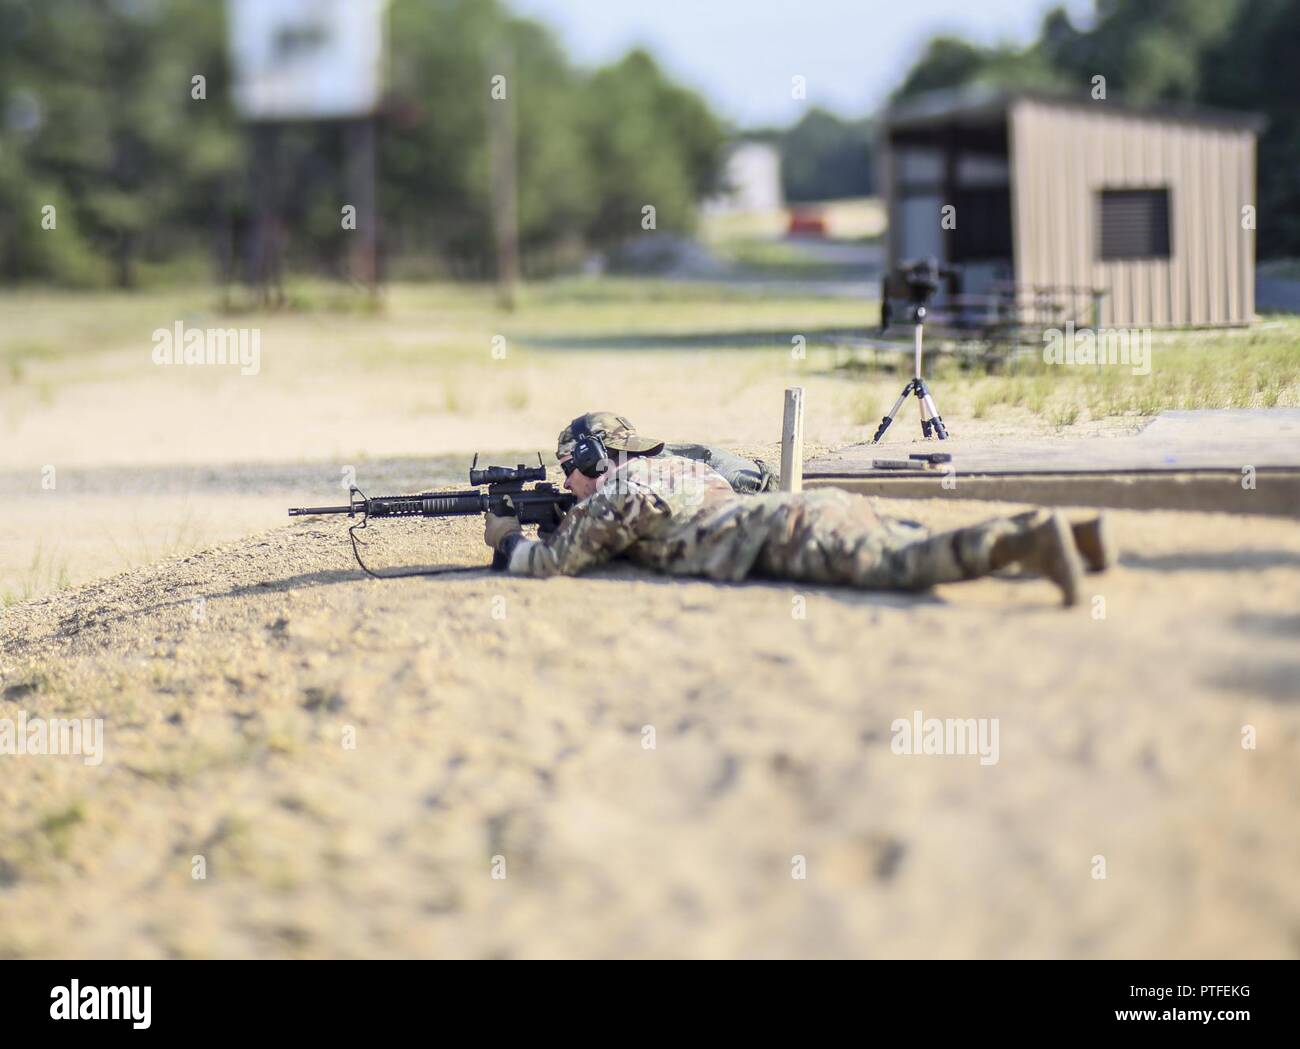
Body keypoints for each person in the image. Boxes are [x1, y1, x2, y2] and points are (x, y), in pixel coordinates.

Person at [483, 413, 1113, 606]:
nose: (568, 485)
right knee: (902, 540)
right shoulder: (682, 468)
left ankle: (1031, 536)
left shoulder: (624, 492)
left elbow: (553, 565)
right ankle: (1079, 541)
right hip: (811, 509)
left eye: (570, 471)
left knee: (906, 567)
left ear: (596, 458)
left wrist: (508, 539)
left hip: (787, 534)